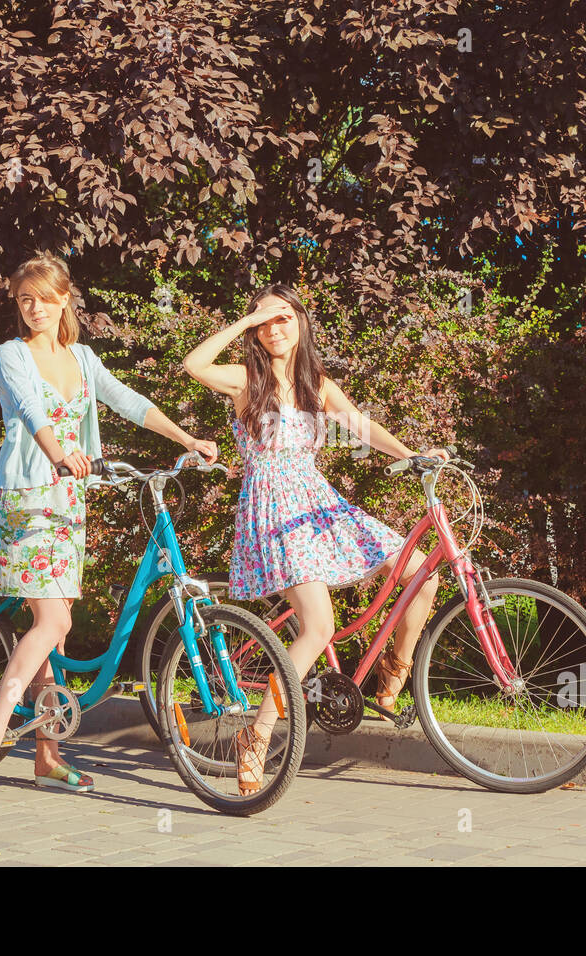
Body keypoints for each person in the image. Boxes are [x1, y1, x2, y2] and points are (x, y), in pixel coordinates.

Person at [0, 250, 218, 799]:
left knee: (53, 627)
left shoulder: (82, 358)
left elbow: (127, 401)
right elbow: (31, 410)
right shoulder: (11, 354)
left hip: (68, 500)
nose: (34, 309)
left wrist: (187, 440)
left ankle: (47, 754)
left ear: (64, 300)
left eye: (44, 299)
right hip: (28, 499)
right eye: (25, 300)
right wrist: (56, 453)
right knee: (52, 624)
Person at [182, 283, 449, 794]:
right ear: (256, 333)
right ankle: (257, 739)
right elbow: (194, 365)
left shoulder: (316, 384)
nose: (275, 329)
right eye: (265, 323)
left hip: (319, 505)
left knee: (420, 572)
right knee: (319, 626)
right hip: (272, 512)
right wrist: (244, 319)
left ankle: (394, 673)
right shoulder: (245, 381)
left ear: (302, 324)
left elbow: (359, 425)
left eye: (284, 318)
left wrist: (412, 456)